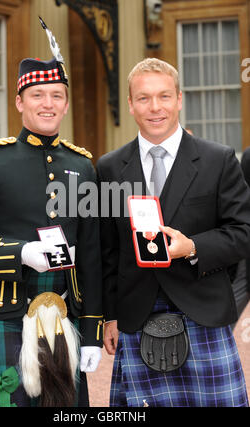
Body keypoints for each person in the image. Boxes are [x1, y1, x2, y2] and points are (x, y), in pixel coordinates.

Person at [0, 23, 103, 407]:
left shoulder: (83, 167)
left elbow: (90, 255)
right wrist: (19, 253)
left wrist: (93, 330)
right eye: (37, 94)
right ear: (20, 101)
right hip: (5, 311)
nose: (47, 103)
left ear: (66, 104)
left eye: (56, 95)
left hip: (63, 315)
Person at [96, 57, 250, 407]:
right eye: (144, 98)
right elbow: (106, 250)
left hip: (203, 314)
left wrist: (192, 246)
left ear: (179, 99)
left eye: (164, 96)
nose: (155, 107)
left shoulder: (219, 160)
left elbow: (244, 232)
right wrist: (110, 315)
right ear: (131, 105)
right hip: (136, 317)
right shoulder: (109, 167)